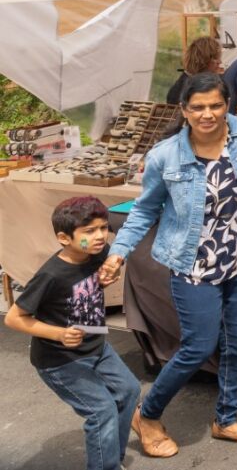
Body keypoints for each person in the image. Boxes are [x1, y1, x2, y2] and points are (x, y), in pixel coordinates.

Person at [103, 73, 237, 455]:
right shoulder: (165, 155)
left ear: (228, 104)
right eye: (198, 107)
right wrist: (118, 251)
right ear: (185, 111)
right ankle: (147, 413)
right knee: (198, 345)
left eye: (216, 105)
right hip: (193, 265)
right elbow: (144, 210)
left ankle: (227, 418)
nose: (208, 114)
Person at [5, 197, 142, 470]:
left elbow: (88, 288)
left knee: (129, 390)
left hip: (96, 347)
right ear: (64, 238)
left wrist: (107, 276)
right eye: (89, 232)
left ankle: (112, 459)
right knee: (101, 411)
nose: (100, 236)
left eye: (103, 228)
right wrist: (57, 334)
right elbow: (14, 318)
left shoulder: (98, 254)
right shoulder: (51, 275)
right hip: (60, 361)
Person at [167, 36, 223, 105]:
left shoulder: (189, 81)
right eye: (216, 58)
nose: (220, 62)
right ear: (203, 60)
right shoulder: (192, 88)